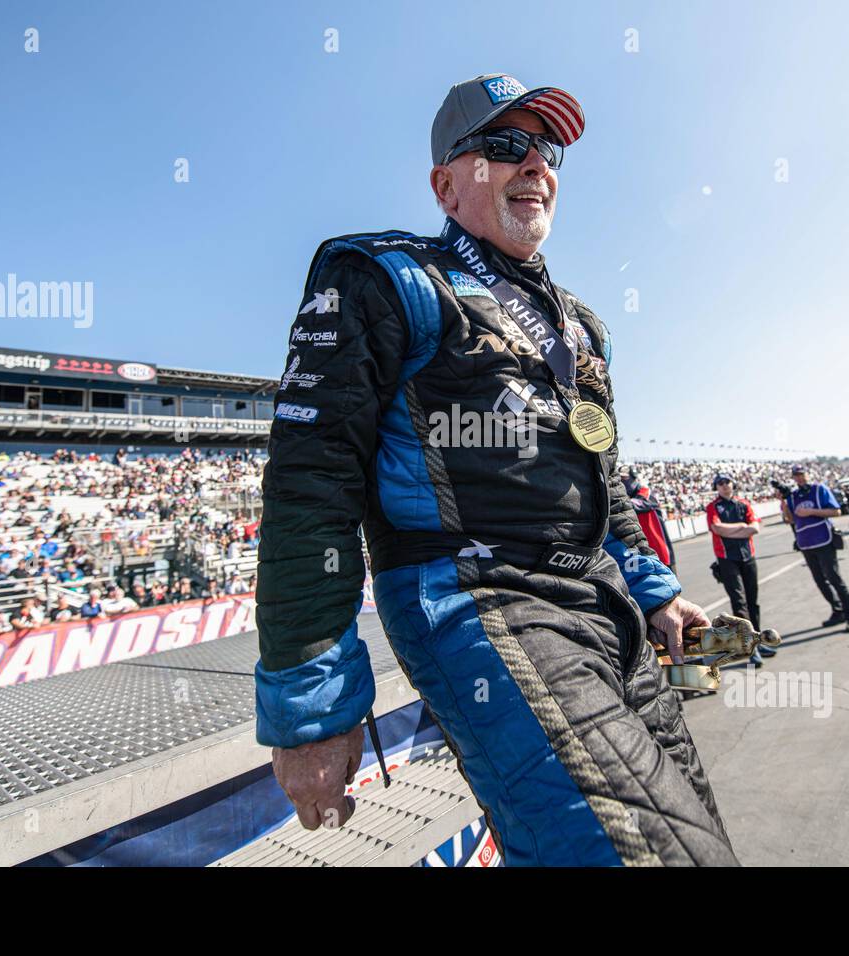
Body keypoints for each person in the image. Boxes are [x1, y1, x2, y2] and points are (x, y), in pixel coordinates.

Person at [255, 73, 736, 867]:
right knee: (644, 856)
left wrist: (655, 592)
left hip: (603, 600)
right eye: (506, 146)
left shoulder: (581, 326)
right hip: (483, 600)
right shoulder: (378, 275)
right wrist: (312, 708)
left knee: (699, 836)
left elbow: (604, 481)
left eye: (546, 152)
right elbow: (311, 486)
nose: (535, 166)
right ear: (446, 185)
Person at [782, 464, 849, 631]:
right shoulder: (793, 495)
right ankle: (837, 610)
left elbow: (836, 511)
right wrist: (784, 505)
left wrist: (811, 512)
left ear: (808, 474)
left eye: (802, 474)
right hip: (806, 542)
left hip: (823, 538)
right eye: (796, 475)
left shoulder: (819, 489)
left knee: (834, 578)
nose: (799, 478)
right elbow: (791, 520)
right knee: (819, 580)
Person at [705, 475, 772, 663]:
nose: (724, 486)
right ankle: (748, 646)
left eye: (727, 482)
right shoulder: (714, 507)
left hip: (747, 556)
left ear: (733, 484)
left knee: (753, 600)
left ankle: (758, 640)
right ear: (716, 487)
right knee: (739, 603)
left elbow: (755, 528)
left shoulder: (743, 504)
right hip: (727, 559)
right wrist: (742, 527)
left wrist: (736, 529)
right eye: (720, 483)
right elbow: (717, 528)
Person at [622, 470, 675, 570]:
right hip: (643, 552)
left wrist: (617, 501)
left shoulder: (645, 491)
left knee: (669, 582)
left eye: (624, 478)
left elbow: (638, 503)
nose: (622, 482)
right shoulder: (627, 498)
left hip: (660, 551)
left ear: (633, 478)